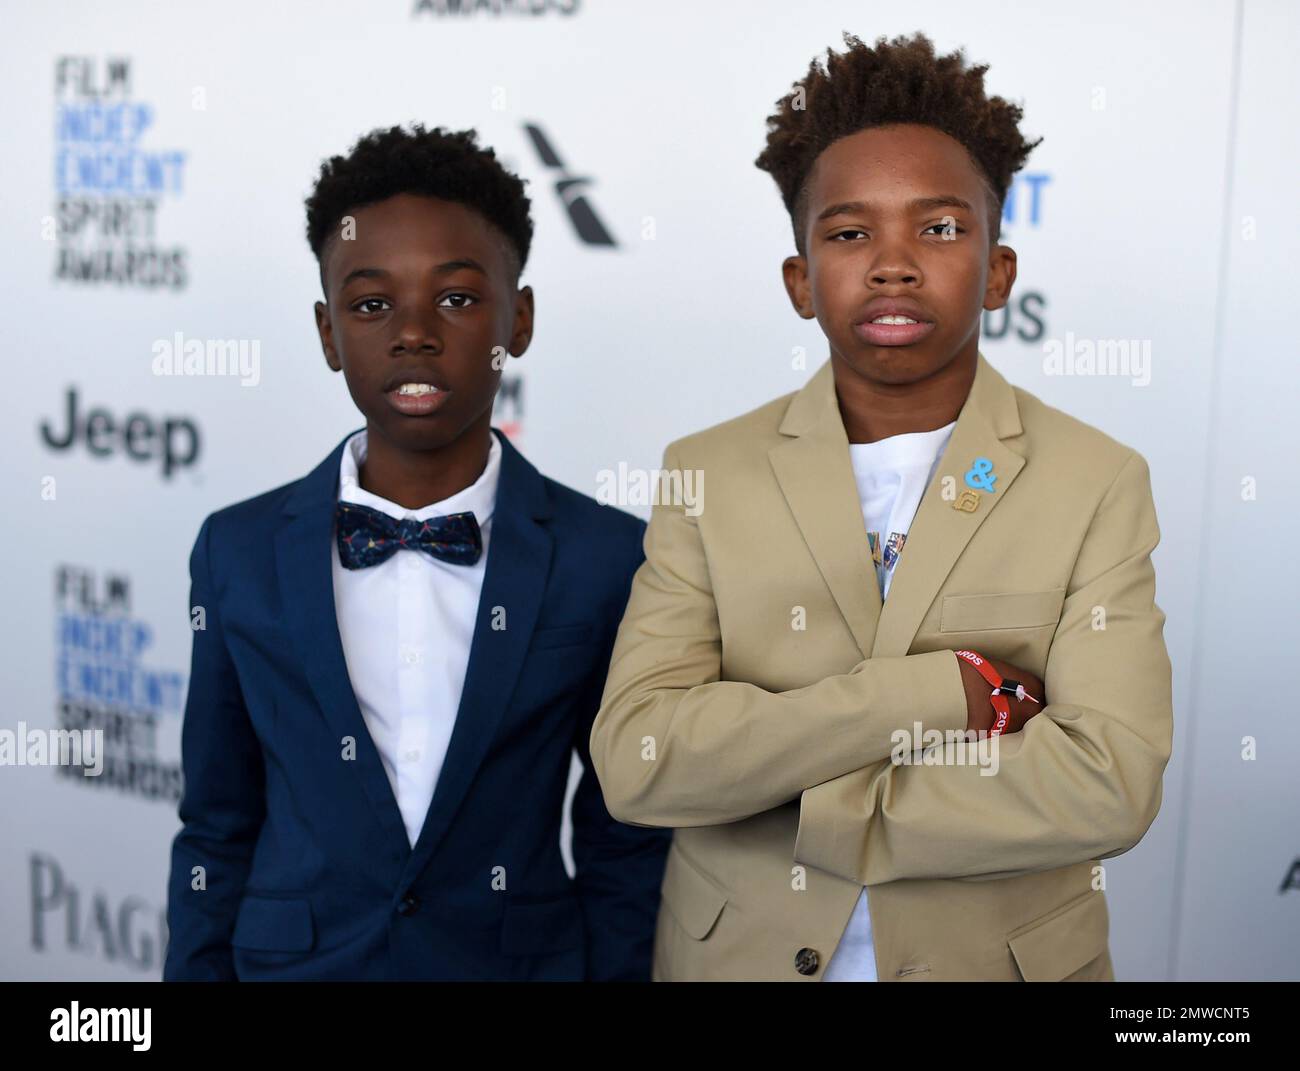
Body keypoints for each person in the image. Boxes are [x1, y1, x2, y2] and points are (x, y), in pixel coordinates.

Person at [590, 32, 1173, 981]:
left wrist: (798, 793)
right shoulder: (708, 472)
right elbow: (642, 756)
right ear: (799, 279)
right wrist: (935, 695)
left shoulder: (1095, 479)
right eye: (850, 232)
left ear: (997, 271)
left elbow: (1108, 783)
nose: (894, 263)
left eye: (938, 229)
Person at [164, 123, 670, 981]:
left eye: (458, 299)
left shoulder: (604, 557)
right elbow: (217, 824)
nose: (413, 333)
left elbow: (627, 831)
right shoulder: (237, 553)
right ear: (328, 335)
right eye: (370, 305)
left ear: (521, 318)